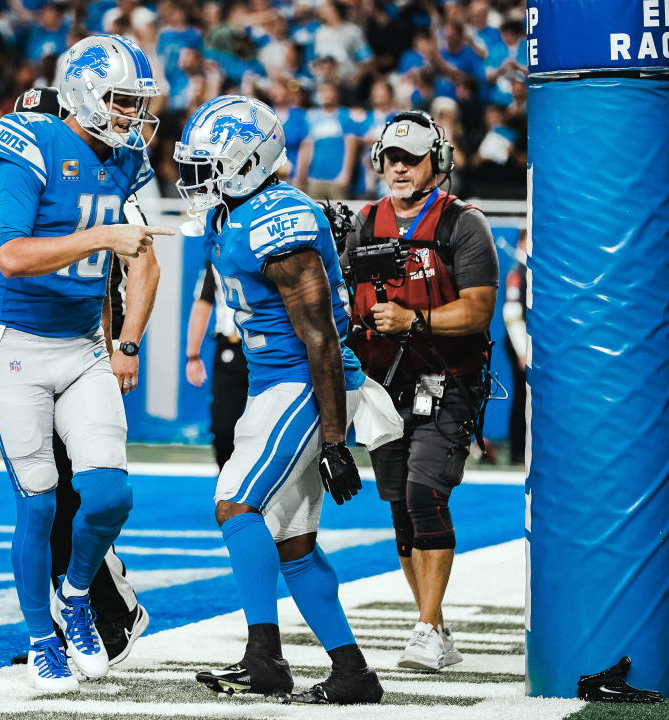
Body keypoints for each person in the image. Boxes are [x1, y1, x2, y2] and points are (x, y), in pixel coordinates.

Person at [0, 36, 167, 692]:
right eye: (121, 101)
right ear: (84, 93)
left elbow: (143, 260)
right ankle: (42, 640)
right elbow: (11, 257)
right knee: (38, 505)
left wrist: (127, 342)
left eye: (135, 104)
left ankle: (77, 597)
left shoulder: (123, 161)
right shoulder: (30, 141)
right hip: (23, 351)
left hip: (84, 344)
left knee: (110, 494)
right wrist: (99, 237)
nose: (131, 116)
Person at [175, 95, 384, 705]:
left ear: (247, 162)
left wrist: (336, 439)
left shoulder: (277, 219)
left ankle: (263, 656)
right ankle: (352, 672)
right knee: (291, 542)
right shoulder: (233, 211)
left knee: (236, 504)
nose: (195, 179)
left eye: (207, 165)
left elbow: (320, 335)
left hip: (303, 380)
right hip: (273, 382)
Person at [345, 110, 498, 671]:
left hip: (446, 380)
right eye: (392, 158)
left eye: (412, 158)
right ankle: (431, 625)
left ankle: (429, 626)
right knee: (400, 510)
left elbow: (479, 310)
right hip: (383, 387)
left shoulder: (464, 224)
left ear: (438, 161)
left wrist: (413, 321)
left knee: (423, 493)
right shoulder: (363, 224)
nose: (400, 168)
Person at [184, 263, 247, 469]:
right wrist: (192, 356)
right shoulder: (216, 257)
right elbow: (203, 302)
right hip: (230, 348)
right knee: (223, 429)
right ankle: (228, 487)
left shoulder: (270, 247)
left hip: (268, 348)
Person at [502, 228, 528, 466]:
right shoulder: (518, 272)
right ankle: (517, 450)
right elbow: (511, 312)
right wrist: (522, 350)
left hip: (523, 344)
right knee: (521, 396)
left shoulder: (525, 270)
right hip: (518, 344)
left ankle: (521, 449)